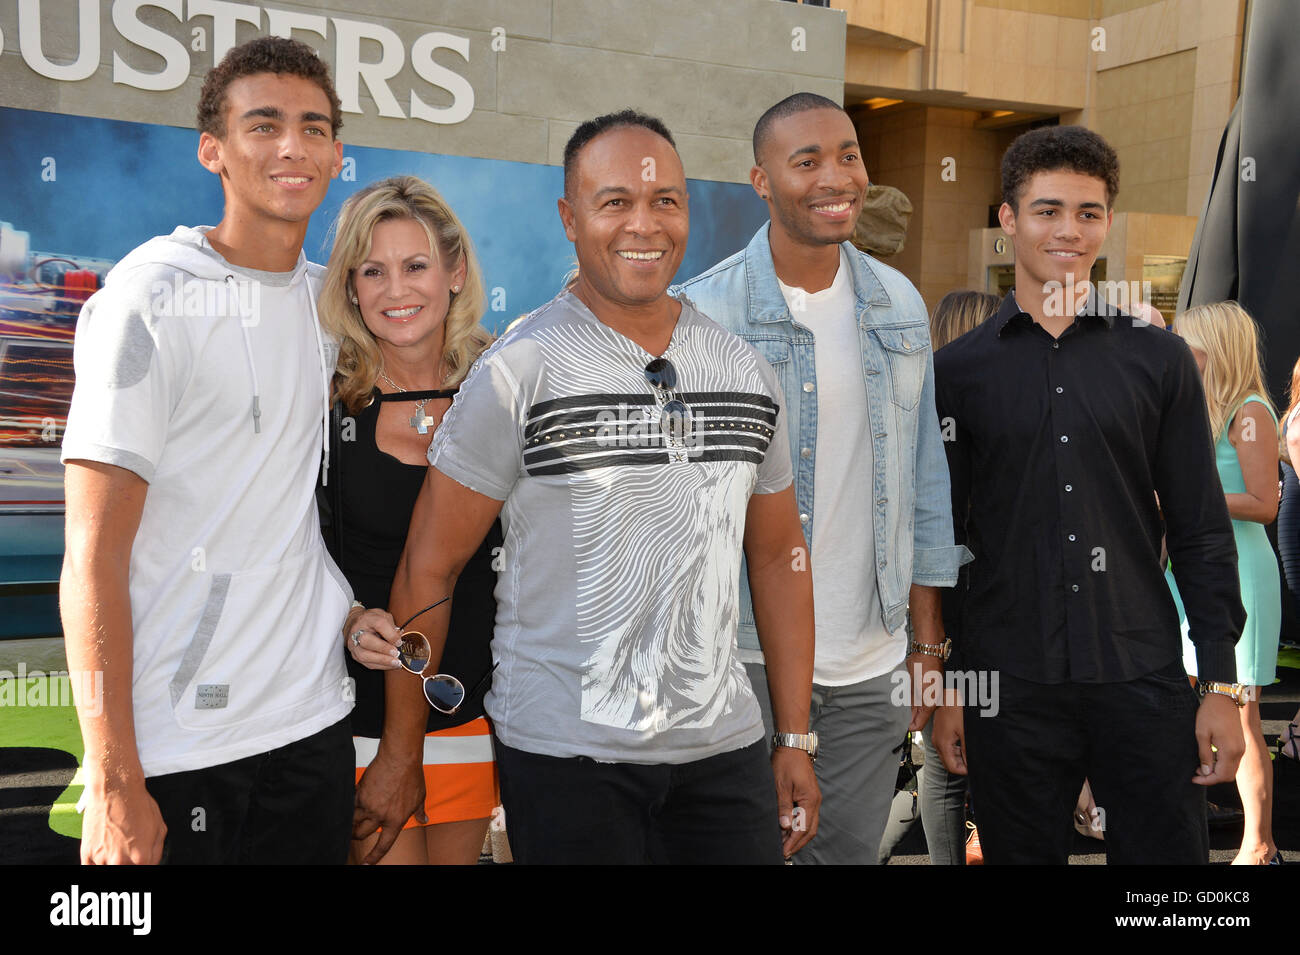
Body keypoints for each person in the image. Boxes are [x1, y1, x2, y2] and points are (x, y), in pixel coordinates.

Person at [359, 108, 819, 864]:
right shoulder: (516, 371)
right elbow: (428, 569)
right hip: (564, 758)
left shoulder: (744, 370)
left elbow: (777, 558)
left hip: (724, 753)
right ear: (571, 219)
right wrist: (403, 750)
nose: (644, 223)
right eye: (615, 202)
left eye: (664, 200)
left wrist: (794, 734)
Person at [59, 37, 353, 864]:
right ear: (212, 150)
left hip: (311, 725)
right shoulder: (150, 298)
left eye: (313, 127)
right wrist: (113, 776)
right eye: (264, 125)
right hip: (179, 746)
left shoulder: (329, 306)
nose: (292, 146)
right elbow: (90, 555)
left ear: (336, 155)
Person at [932, 125, 1248, 865]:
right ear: (1008, 222)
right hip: (1008, 685)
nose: (1069, 230)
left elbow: (1202, 529)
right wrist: (952, 686)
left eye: (1088, 212)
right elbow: (941, 541)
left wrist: (1223, 685)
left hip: (1141, 672)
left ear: (1107, 221)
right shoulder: (958, 373)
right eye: (1046, 211)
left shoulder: (1160, 360)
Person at [674, 92, 968, 865]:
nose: (835, 176)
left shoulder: (898, 302)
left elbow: (923, 483)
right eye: (806, 161)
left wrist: (927, 648)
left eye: (847, 155)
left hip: (872, 661)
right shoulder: (702, 315)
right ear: (760, 181)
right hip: (740, 659)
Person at [320, 176, 501, 865]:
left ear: (455, 272)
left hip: (473, 715)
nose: (396, 290)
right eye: (374, 270)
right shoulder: (327, 400)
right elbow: (292, 547)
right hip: (360, 714)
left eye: (416, 265)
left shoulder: (500, 389)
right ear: (352, 287)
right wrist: (347, 614)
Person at [1165, 301, 1282, 865]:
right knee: (1196, 704)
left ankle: (1257, 842)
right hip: (1195, 573)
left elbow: (1264, 504)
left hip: (1239, 575)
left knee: (1242, 711)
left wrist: (1182, 500)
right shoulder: (1203, 409)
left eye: (1189, 342)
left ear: (1217, 345)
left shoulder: (1249, 409)